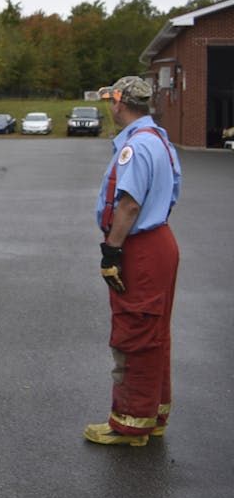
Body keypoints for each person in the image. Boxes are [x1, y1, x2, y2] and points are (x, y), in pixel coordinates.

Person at [84, 75, 182, 446]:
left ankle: (130, 424)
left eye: (111, 100)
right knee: (155, 333)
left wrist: (112, 250)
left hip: (139, 247)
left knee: (135, 332)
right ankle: (153, 415)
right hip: (159, 242)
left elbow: (129, 204)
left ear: (120, 103)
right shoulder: (159, 138)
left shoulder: (137, 146)